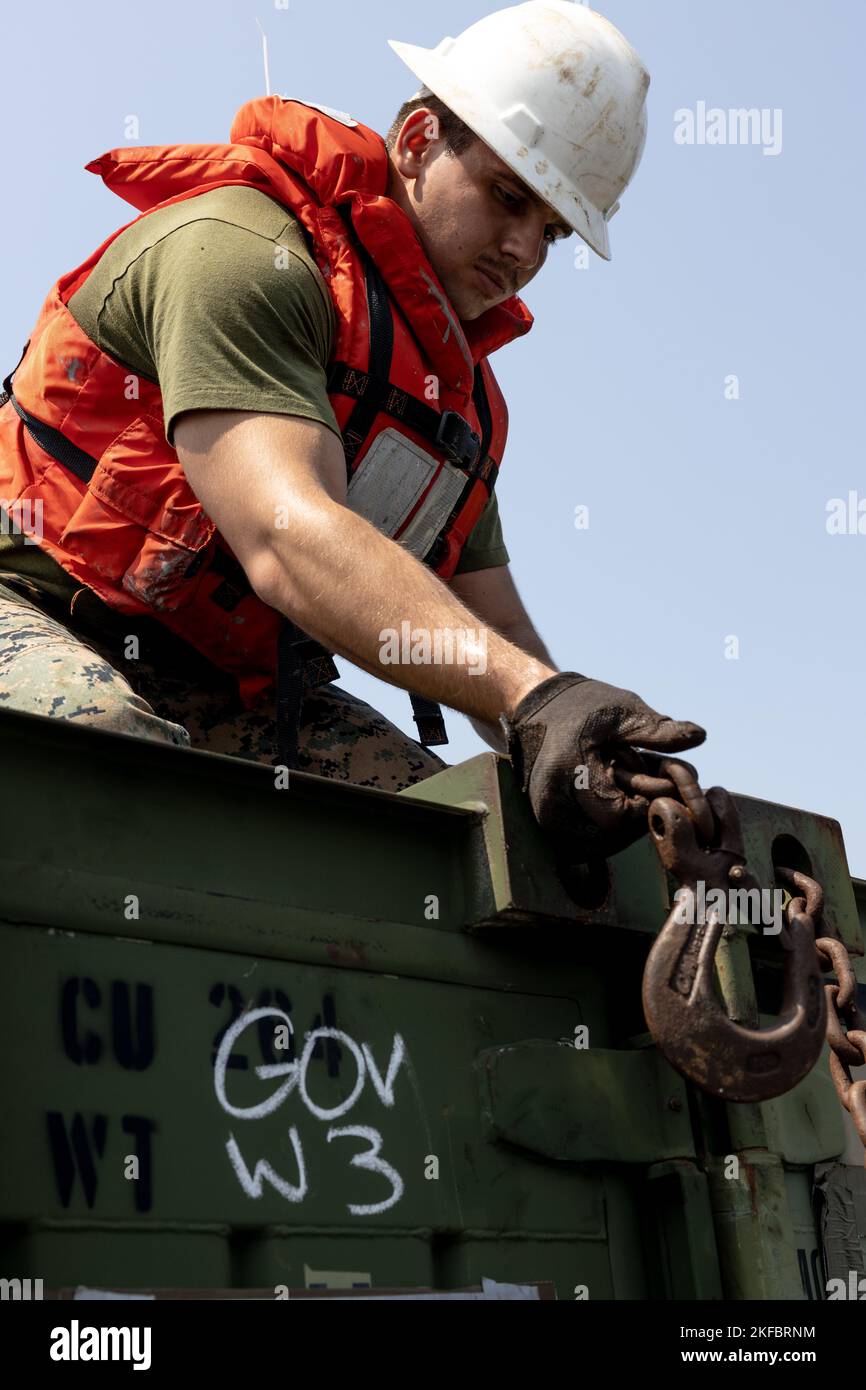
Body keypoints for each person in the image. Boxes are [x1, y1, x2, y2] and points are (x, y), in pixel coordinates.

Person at [0, 1, 708, 865]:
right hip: (30, 603)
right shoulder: (242, 252)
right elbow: (286, 535)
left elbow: (495, 628)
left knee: (463, 843)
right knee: (103, 755)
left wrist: (567, 738)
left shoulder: (457, 413)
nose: (524, 249)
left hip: (237, 688)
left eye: (554, 232)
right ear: (415, 141)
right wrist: (532, 694)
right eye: (508, 196)